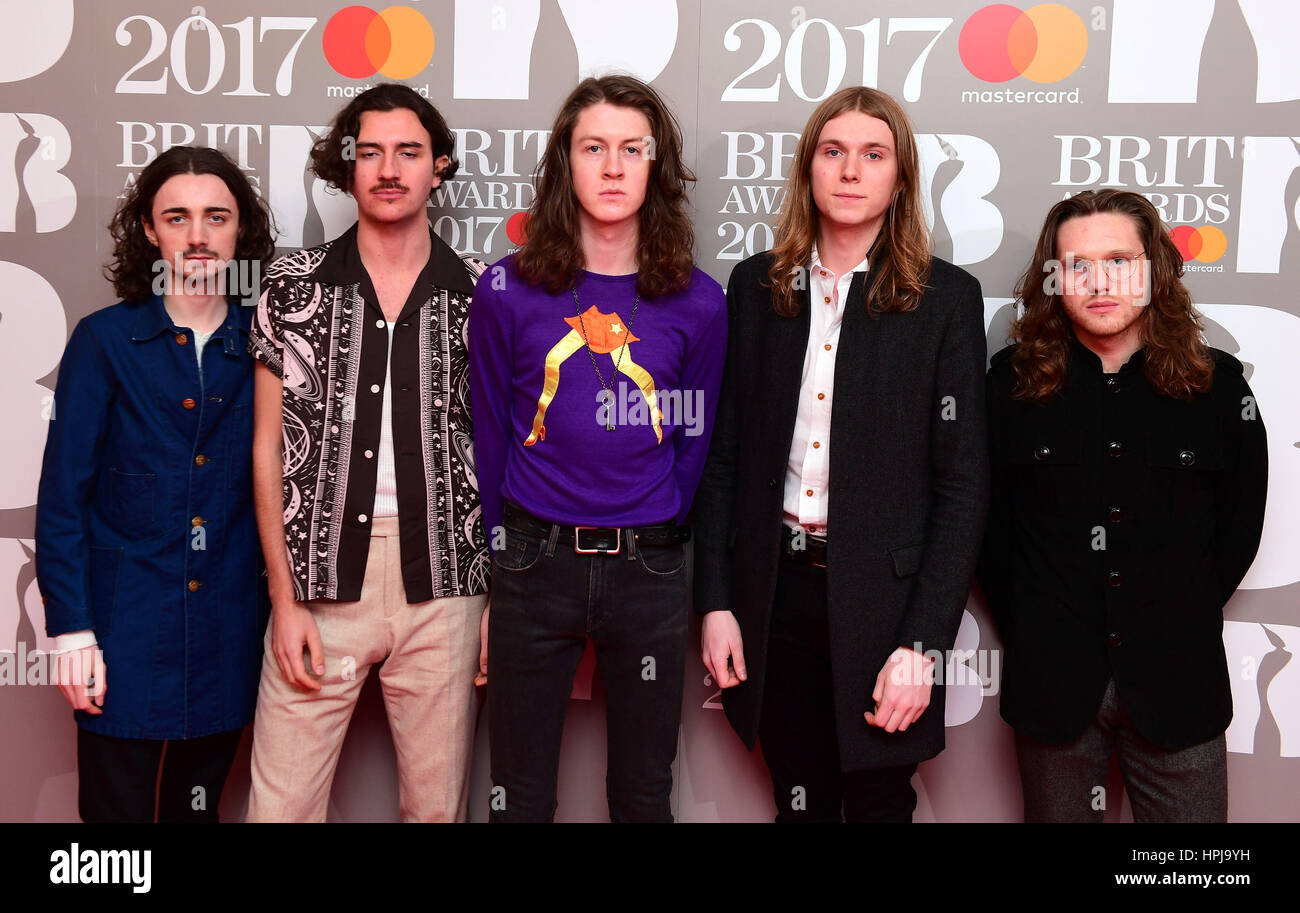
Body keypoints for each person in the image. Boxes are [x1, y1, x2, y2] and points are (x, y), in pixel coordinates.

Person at [693, 86, 989, 823]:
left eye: (873, 154)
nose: (851, 170)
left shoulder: (945, 300)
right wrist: (718, 600)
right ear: (808, 170)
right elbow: (724, 456)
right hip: (776, 596)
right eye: (833, 152)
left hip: (886, 606)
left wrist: (922, 644)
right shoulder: (757, 288)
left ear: (900, 177)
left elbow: (963, 489)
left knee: (880, 801)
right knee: (799, 800)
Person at [469, 74, 726, 822]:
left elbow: (695, 431)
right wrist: (501, 558)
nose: (613, 168)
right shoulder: (504, 289)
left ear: (658, 166)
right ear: (565, 163)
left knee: (644, 793)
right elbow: (490, 429)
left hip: (648, 567)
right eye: (593, 148)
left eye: (632, 149)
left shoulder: (700, 301)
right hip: (531, 561)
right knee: (517, 796)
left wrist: (661, 516)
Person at [977, 188, 1268, 822]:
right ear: (1053, 279)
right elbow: (988, 533)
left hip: (1179, 682)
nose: (1099, 282)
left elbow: (1238, 529)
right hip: (1051, 684)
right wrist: (1036, 623)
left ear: (1154, 269)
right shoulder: (1008, 388)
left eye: (1119, 261)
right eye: (1077, 265)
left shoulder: (1219, 390)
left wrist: (1171, 613)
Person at [246, 83, 489, 822]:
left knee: (435, 812)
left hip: (446, 581)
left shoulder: (484, 292)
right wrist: (282, 600)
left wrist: (498, 606)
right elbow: (264, 450)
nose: (388, 168)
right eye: (369, 151)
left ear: (438, 165)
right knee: (281, 808)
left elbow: (505, 451)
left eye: (408, 151)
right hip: (318, 580)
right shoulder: (290, 285)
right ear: (345, 167)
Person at [36, 144, 275, 822]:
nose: (198, 236)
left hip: (227, 632)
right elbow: (62, 500)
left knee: (197, 813)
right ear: (148, 230)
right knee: (114, 834)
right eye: (177, 217)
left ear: (240, 230)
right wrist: (73, 632)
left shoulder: (266, 348)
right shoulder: (103, 342)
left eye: (216, 217)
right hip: (121, 629)